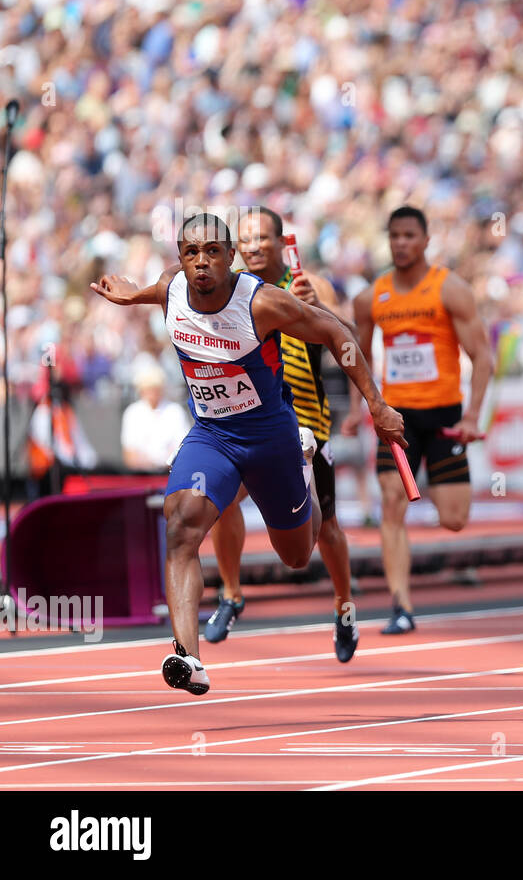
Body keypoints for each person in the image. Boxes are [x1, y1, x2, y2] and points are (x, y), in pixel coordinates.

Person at [90, 213, 405, 696]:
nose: (201, 263)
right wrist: (132, 294)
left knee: (297, 556)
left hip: (272, 441)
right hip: (213, 436)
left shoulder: (262, 302)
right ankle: (188, 656)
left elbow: (337, 335)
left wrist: (377, 404)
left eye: (212, 252)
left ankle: (306, 480)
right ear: (179, 256)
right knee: (181, 526)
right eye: (191, 253)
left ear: (230, 257)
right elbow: (155, 290)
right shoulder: (172, 288)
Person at [203, 206, 361, 661]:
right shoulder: (231, 289)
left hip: (306, 424)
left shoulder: (307, 285)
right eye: (245, 240)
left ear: (281, 241)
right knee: (221, 502)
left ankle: (344, 606)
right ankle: (231, 595)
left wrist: (319, 308)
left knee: (325, 530)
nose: (253, 247)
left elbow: (348, 341)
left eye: (261, 239)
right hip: (246, 421)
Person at [345, 206, 494, 635]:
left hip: (446, 416)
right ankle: (401, 606)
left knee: (454, 518)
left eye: (409, 235)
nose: (401, 243)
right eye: (394, 236)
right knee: (391, 504)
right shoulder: (372, 297)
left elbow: (482, 356)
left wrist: (471, 416)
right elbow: (360, 354)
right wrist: (360, 406)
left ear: (426, 240)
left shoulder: (450, 290)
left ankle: (433, 482)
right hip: (397, 418)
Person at [120, 365, 191, 472]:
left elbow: (182, 449)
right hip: (141, 476)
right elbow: (129, 455)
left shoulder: (176, 411)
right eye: (147, 388)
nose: (151, 393)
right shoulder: (132, 412)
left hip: (169, 474)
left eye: (155, 388)